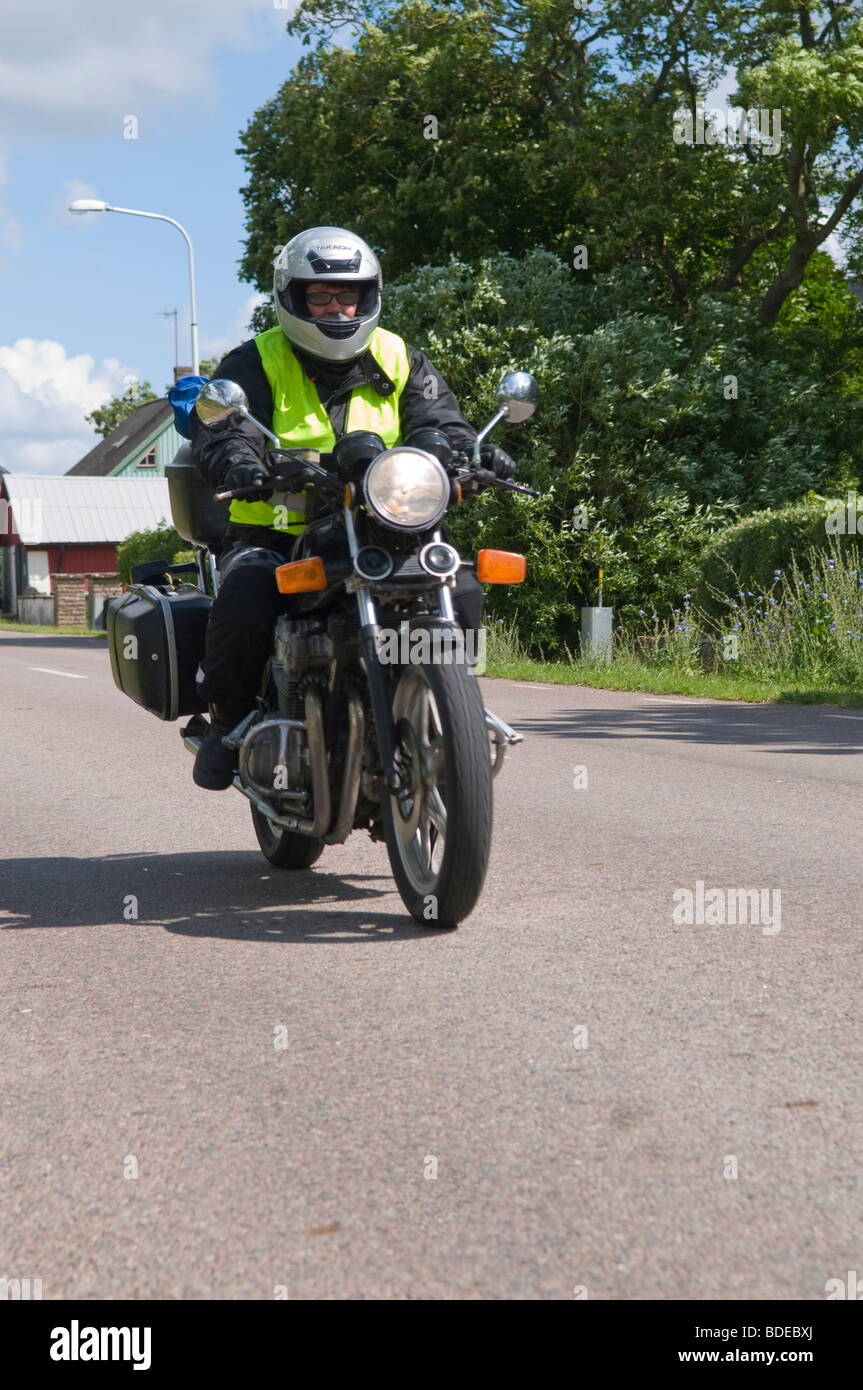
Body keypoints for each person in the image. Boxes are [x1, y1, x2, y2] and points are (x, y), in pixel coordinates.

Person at [189, 225, 517, 789]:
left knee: (460, 586)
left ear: (369, 296)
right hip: (276, 532)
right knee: (246, 594)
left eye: (349, 295)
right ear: (292, 297)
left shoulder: (398, 355)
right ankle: (230, 723)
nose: (337, 308)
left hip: (383, 528)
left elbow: (441, 420)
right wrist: (241, 465)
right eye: (321, 296)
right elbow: (221, 430)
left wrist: (471, 452)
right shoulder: (254, 360)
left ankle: (448, 708)